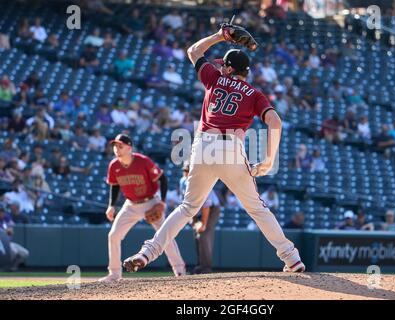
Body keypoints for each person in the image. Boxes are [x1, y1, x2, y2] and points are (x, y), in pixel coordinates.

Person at [123, 27, 305, 274]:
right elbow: (275, 122)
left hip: (203, 146)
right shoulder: (254, 93)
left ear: (228, 68)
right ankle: (291, 258)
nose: (220, 68)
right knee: (257, 209)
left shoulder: (214, 78)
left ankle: (148, 252)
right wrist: (269, 159)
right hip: (230, 148)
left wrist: (220, 35)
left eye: (224, 65)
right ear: (246, 72)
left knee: (187, 208)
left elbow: (193, 50)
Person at [98, 134, 186, 282]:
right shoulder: (114, 165)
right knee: (113, 235)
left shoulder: (142, 161)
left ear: (129, 147)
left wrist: (162, 202)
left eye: (120, 146)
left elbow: (162, 178)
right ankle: (114, 273)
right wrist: (111, 206)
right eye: (115, 146)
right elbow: (114, 185)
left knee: (165, 236)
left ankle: (179, 271)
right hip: (130, 204)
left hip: (151, 202)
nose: (116, 149)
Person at [180, 163, 221, 274]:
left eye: (188, 170)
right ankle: (200, 266)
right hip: (197, 210)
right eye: (185, 170)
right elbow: (186, 202)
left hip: (212, 209)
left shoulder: (200, 182)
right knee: (197, 237)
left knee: (203, 235)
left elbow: (206, 205)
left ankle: (206, 268)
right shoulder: (182, 182)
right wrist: (192, 220)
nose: (186, 173)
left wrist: (203, 223)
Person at [0, 205, 29, 271]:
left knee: (25, 253)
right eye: (0, 211)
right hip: (1, 244)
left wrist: (9, 228)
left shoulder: (5, 218)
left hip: (8, 243)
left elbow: (12, 226)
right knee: (14, 251)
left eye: (2, 211)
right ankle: (4, 266)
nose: (2, 213)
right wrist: (5, 231)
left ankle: (12, 268)